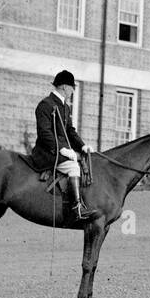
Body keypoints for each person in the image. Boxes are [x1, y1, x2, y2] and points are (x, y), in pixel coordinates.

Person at [31, 70, 97, 221]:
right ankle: (77, 208)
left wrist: (82, 146)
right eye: (72, 87)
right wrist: (63, 150)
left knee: (81, 163)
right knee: (74, 167)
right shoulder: (45, 105)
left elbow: (70, 131)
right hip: (47, 151)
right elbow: (44, 133)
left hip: (60, 151)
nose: (73, 91)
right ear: (65, 87)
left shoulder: (65, 107)